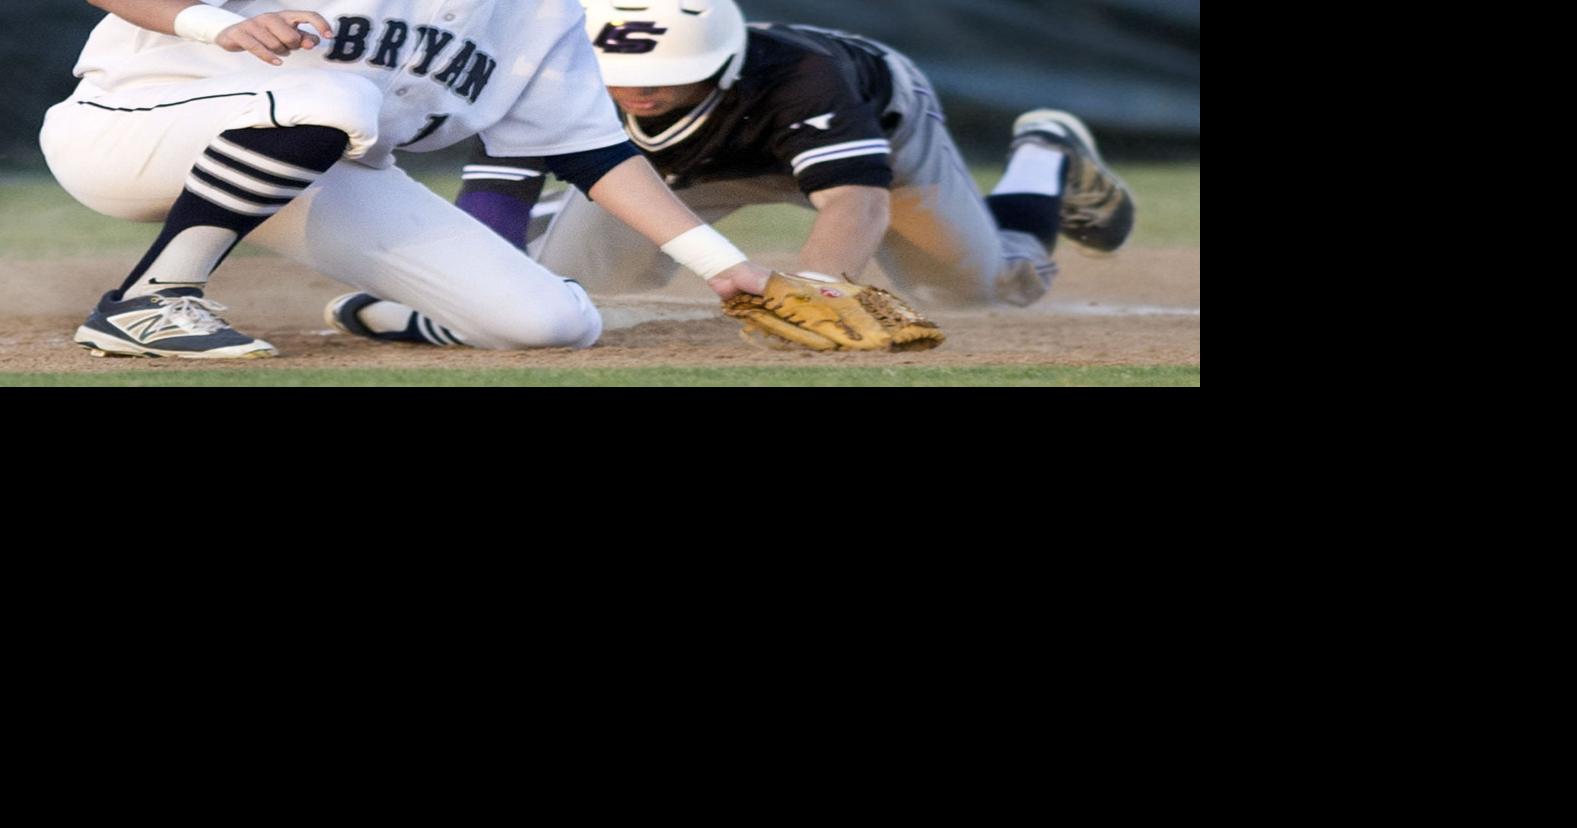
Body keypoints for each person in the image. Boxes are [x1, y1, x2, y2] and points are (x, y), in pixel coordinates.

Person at [325, 0, 1136, 345]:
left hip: (881, 135)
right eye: (622, 75)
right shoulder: (558, 73)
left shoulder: (802, 76)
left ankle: (1044, 152)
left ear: (721, 63)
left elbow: (854, 203)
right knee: (571, 281)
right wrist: (455, 287)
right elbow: (497, 197)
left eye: (665, 76)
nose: (638, 89)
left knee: (986, 287)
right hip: (669, 177)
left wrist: (817, 288)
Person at [41, 0, 772, 359]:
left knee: (550, 324)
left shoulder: (540, 13)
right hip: (129, 127)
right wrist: (206, 22)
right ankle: (147, 302)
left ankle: (380, 312)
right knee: (337, 94)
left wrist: (727, 267)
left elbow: (590, 154)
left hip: (309, 164)